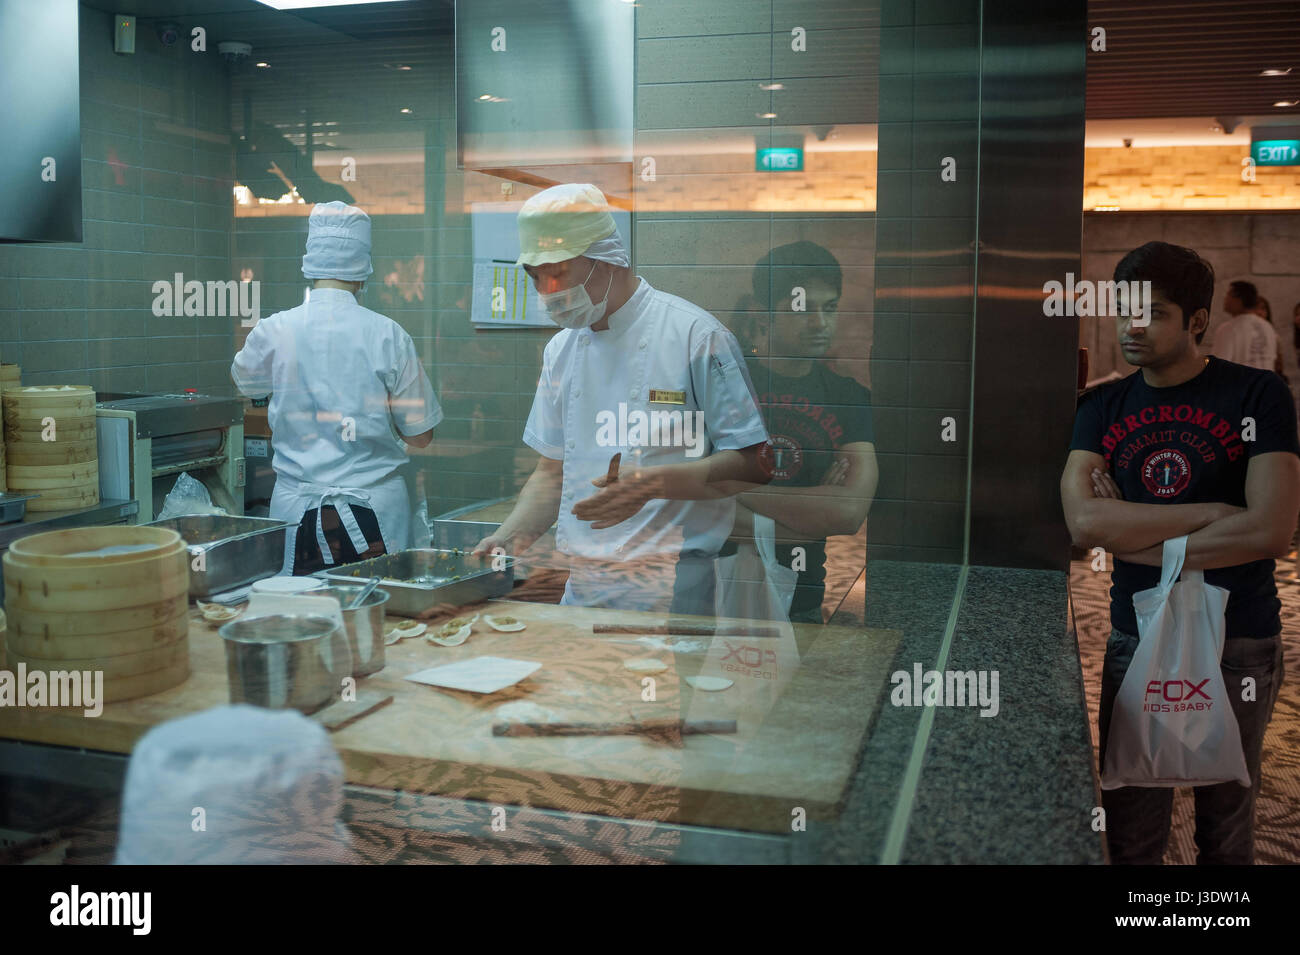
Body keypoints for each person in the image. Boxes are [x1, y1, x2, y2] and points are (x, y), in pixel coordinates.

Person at [1060, 241, 1300, 864]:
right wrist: (1216, 515)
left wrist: (1137, 532)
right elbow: (1085, 523)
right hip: (1134, 631)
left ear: (1196, 322)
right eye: (1123, 311)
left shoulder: (1258, 396)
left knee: (1226, 821)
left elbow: (1272, 532)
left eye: (1155, 313)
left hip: (1239, 636)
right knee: (1131, 820)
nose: (1132, 328)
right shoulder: (1101, 406)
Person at [472, 183, 771, 614]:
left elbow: (755, 463)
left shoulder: (695, 336)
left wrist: (652, 484)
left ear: (605, 259)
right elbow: (551, 473)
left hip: (677, 586)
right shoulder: (561, 350)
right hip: (585, 587)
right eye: (536, 276)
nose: (546, 291)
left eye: (557, 272)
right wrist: (507, 540)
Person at [231, 201, 442, 574]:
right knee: (383, 617)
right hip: (373, 509)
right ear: (364, 270)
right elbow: (422, 435)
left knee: (301, 616)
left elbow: (249, 386)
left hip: (297, 510)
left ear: (310, 264)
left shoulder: (275, 329)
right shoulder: (388, 335)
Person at [727, 242, 877, 623]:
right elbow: (690, 509)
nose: (819, 324)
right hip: (711, 598)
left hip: (802, 601)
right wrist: (809, 517)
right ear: (763, 316)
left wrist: (728, 488)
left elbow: (847, 511)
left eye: (828, 309)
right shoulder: (722, 385)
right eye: (802, 309)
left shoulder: (848, 395)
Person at [1205, 279, 1278, 372]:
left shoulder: (1228, 329)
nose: (1225, 298)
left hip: (1240, 385)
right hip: (1266, 384)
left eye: (1228, 294)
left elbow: (1219, 366)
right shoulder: (1268, 327)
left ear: (1238, 299)